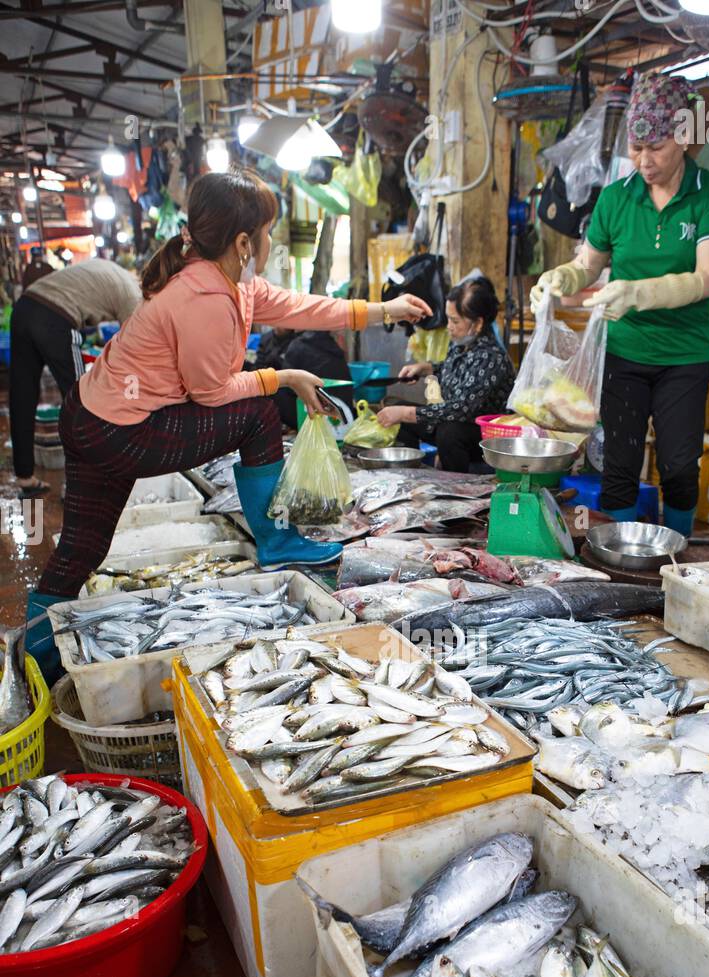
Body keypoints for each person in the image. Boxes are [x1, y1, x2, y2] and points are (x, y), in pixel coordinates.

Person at [27, 169, 429, 677]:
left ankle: (34, 657)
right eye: (266, 232)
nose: (270, 242)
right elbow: (212, 392)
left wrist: (382, 311)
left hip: (92, 417)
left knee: (83, 546)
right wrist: (281, 376)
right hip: (119, 431)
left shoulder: (219, 278)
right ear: (243, 241)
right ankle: (279, 542)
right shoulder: (205, 299)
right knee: (258, 411)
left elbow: (297, 305)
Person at [531, 73, 709, 537]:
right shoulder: (616, 198)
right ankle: (621, 556)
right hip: (623, 352)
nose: (643, 161)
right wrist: (562, 276)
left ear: (683, 138)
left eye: (656, 149)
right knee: (619, 465)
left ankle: (678, 550)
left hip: (683, 354)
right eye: (636, 148)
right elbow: (589, 264)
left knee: (680, 466)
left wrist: (638, 292)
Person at [11, 255, 140, 497]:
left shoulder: (112, 272)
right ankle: (79, 484)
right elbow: (135, 351)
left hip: (24, 307)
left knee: (23, 395)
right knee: (82, 402)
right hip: (53, 316)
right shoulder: (134, 295)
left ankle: (25, 475)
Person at [375, 275, 514, 473]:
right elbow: (453, 369)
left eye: (455, 321)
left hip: (485, 439)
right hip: (455, 421)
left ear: (478, 323)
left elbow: (460, 409)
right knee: (400, 416)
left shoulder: (491, 358)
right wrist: (424, 369)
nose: (448, 326)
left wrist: (406, 413)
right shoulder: (462, 345)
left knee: (448, 431)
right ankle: (409, 474)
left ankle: (455, 486)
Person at [248, 327, 352, 429]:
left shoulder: (297, 344)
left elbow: (287, 388)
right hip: (345, 414)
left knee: (270, 392)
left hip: (314, 414)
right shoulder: (333, 344)